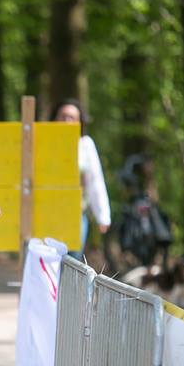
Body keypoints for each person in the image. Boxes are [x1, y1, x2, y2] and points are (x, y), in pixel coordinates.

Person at [50, 98, 111, 255]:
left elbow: (95, 180)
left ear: (80, 122)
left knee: (73, 262)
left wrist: (102, 215)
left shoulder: (85, 145)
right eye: (63, 116)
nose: (66, 121)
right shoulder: (44, 143)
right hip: (47, 214)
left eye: (71, 117)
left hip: (76, 214)